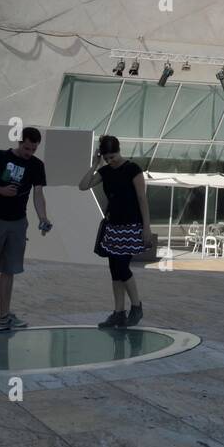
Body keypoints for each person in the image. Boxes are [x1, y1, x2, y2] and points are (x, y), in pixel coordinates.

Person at [0, 127, 51, 332]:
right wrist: (1, 191)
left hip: (17, 223)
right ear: (19, 141)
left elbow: (38, 194)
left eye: (33, 149)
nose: (28, 152)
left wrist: (43, 218)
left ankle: (4, 317)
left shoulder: (36, 165)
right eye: (26, 147)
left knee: (9, 271)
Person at [79, 135, 151, 328]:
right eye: (107, 157)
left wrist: (147, 226)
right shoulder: (105, 171)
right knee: (114, 270)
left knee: (121, 267)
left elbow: (142, 198)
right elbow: (83, 186)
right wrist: (95, 163)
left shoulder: (132, 169)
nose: (111, 161)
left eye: (113, 156)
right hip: (113, 227)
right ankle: (118, 312)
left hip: (131, 226)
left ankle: (136, 306)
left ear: (119, 150)